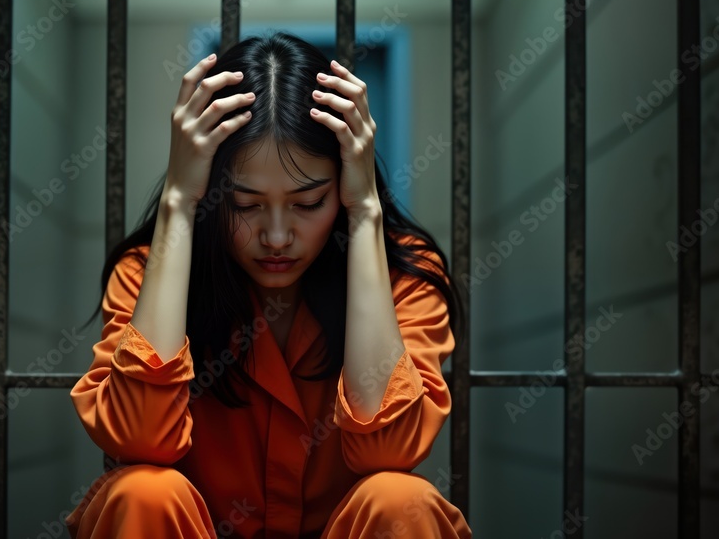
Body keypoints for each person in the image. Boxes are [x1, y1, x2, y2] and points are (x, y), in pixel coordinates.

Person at [65, 31, 472, 538]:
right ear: (213, 190)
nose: (276, 237)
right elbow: (140, 437)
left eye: (307, 204)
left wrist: (365, 214)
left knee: (401, 499)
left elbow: (388, 450)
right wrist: (178, 204)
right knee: (142, 491)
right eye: (245, 204)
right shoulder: (147, 272)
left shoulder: (404, 276)